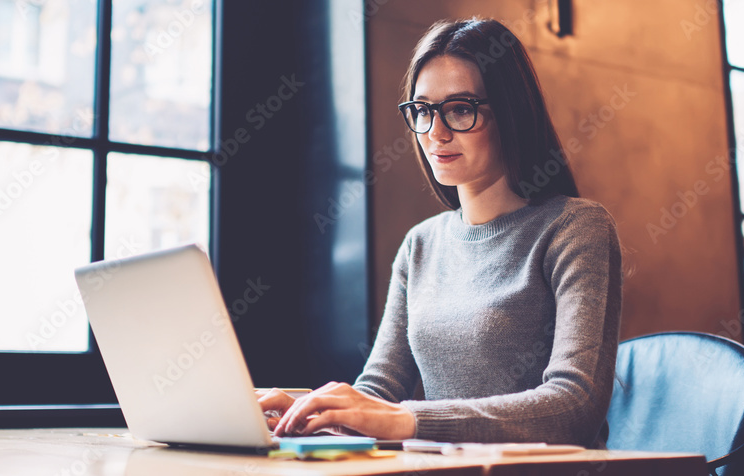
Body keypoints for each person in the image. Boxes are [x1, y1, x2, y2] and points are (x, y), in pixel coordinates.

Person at [258, 17, 622, 447]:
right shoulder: (421, 244)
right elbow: (378, 392)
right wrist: (301, 408)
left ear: (511, 112)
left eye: (461, 109)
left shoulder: (575, 228)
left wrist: (407, 421)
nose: (436, 132)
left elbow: (573, 407)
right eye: (423, 110)